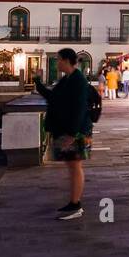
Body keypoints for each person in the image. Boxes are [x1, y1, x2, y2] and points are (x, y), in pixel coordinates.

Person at [34, 48, 93, 221]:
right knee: (72, 166)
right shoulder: (67, 79)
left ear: (67, 60)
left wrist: (73, 134)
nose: (57, 62)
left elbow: (80, 108)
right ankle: (74, 202)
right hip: (69, 129)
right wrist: (37, 80)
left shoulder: (78, 81)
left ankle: (75, 205)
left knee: (75, 167)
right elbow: (52, 97)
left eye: (59, 59)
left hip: (76, 131)